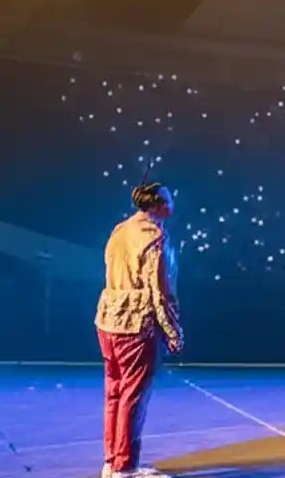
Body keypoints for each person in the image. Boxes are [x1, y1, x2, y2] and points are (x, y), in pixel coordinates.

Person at [95, 182, 183, 478]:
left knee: (115, 392)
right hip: (136, 324)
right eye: (169, 199)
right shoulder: (155, 237)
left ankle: (112, 461)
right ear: (157, 204)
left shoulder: (119, 230)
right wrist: (173, 331)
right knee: (133, 395)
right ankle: (125, 466)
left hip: (107, 320)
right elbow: (161, 291)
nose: (173, 203)